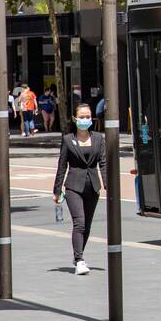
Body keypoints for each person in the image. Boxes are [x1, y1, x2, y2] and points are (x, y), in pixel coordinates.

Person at [52, 103, 106, 276]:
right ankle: (79, 260)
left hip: (93, 187)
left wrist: (107, 185)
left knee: (87, 226)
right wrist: (57, 189)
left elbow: (103, 163)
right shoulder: (68, 140)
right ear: (75, 119)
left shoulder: (98, 138)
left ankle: (78, 257)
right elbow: (62, 166)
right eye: (81, 117)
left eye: (88, 117)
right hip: (73, 187)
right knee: (80, 223)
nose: (85, 120)